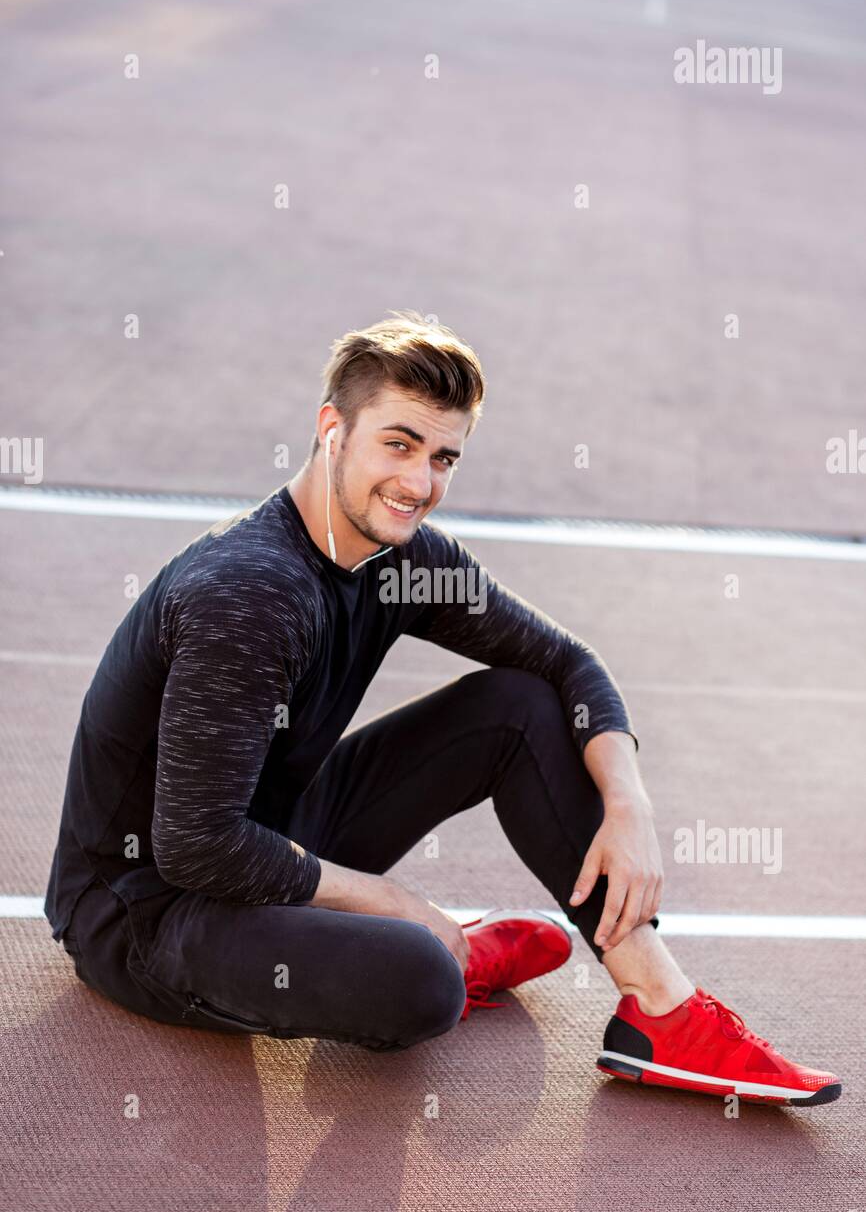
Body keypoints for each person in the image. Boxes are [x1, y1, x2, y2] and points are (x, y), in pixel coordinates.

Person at [45, 311, 841, 1105]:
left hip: (268, 834)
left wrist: (629, 804)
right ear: (333, 429)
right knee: (421, 980)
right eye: (398, 444)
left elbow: (568, 664)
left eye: (443, 457)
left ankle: (662, 1012)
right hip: (146, 908)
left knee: (521, 705)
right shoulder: (253, 592)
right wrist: (398, 906)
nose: (419, 483)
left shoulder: (406, 562)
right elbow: (196, 847)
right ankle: (444, 952)